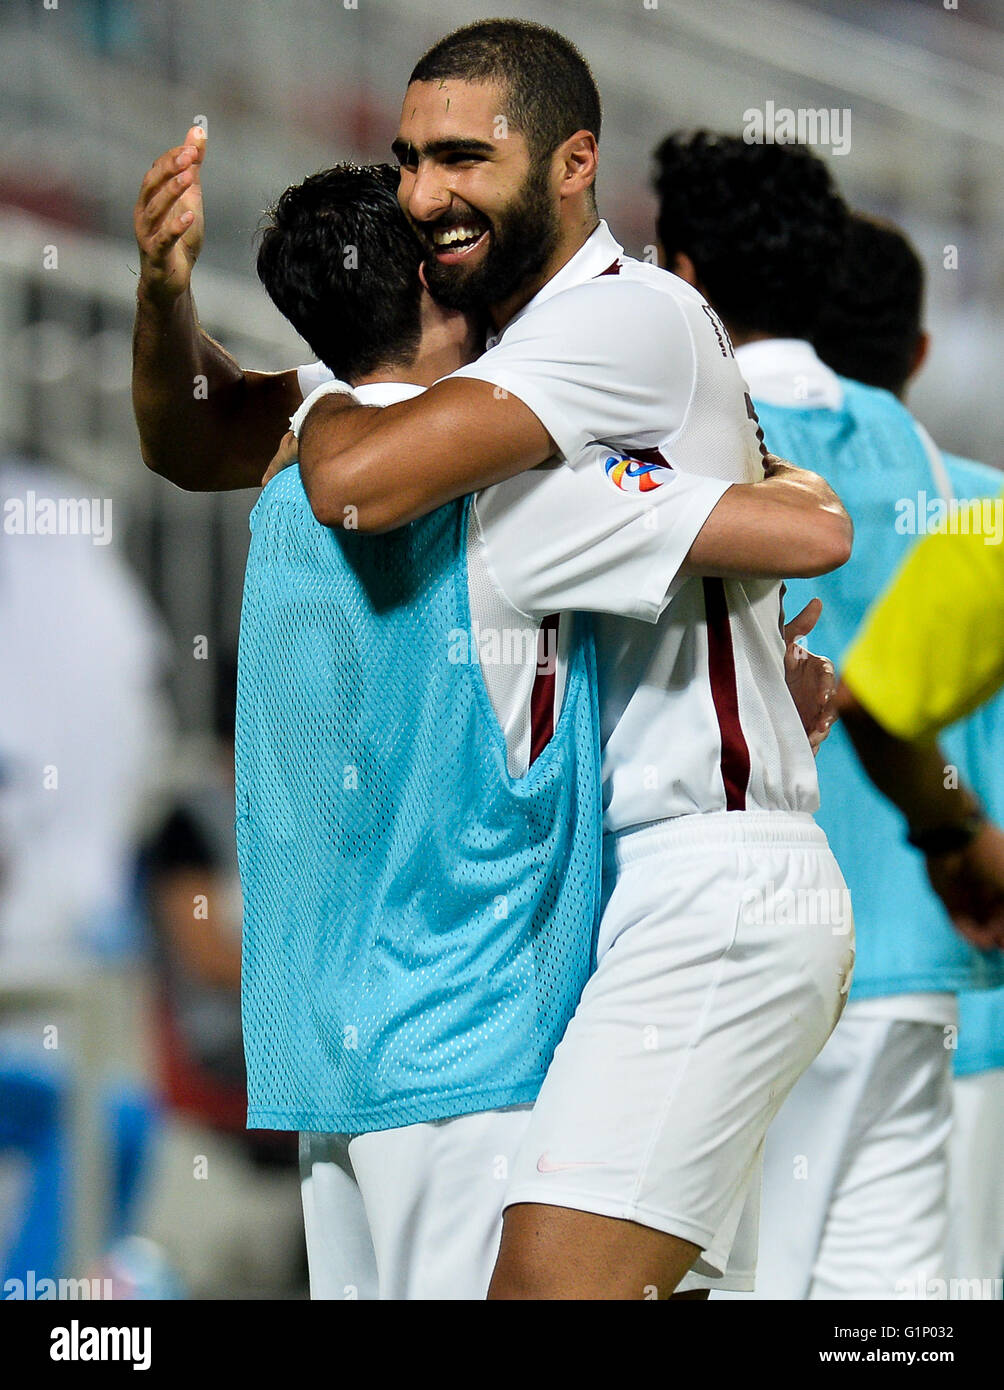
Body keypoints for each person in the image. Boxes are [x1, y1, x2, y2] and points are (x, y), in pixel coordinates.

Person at [280, 22, 853, 1301]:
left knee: (545, 1291)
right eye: (407, 159)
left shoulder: (614, 323)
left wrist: (317, 404)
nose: (422, 194)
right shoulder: (514, 359)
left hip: (705, 878)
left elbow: (361, 476)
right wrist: (171, 307)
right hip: (607, 893)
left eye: (461, 158)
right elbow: (221, 440)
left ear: (573, 161)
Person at [652, 133, 1004, 1298]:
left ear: (682, 271)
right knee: (886, 1309)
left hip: (739, 946)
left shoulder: (678, 436)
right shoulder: (943, 469)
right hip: (911, 956)